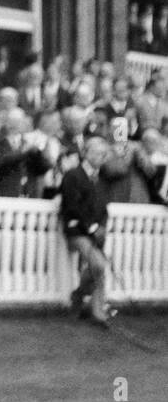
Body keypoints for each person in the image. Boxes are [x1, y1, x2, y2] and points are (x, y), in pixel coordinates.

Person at [60, 137, 114, 327]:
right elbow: (73, 206)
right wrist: (92, 227)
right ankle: (96, 311)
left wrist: (102, 227)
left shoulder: (102, 180)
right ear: (86, 153)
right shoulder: (72, 176)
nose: (102, 157)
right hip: (77, 231)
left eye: (104, 154)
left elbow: (104, 208)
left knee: (97, 268)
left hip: (95, 233)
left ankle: (82, 299)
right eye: (99, 153)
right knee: (99, 265)